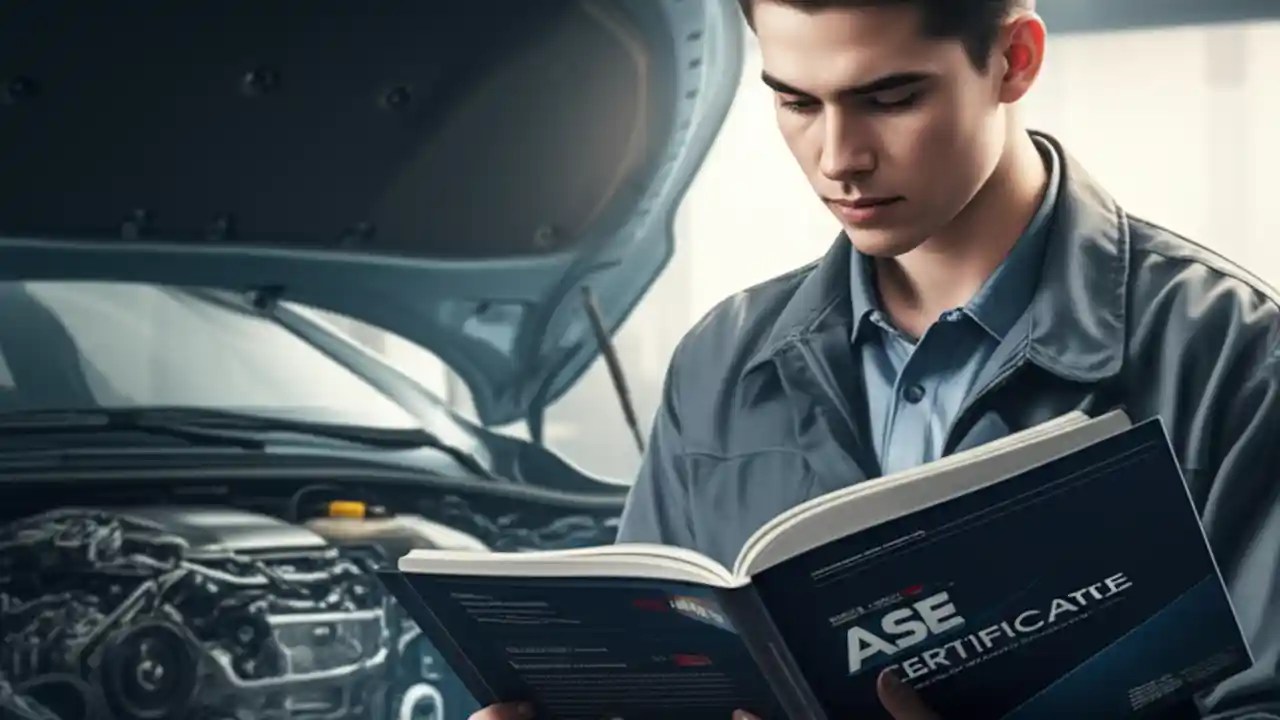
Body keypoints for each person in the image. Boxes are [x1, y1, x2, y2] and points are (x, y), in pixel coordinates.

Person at [473, 0, 1280, 717]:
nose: (837, 158)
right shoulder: (717, 364)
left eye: (890, 99)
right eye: (795, 101)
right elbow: (654, 685)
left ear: (1015, 60)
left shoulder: (1234, 357)